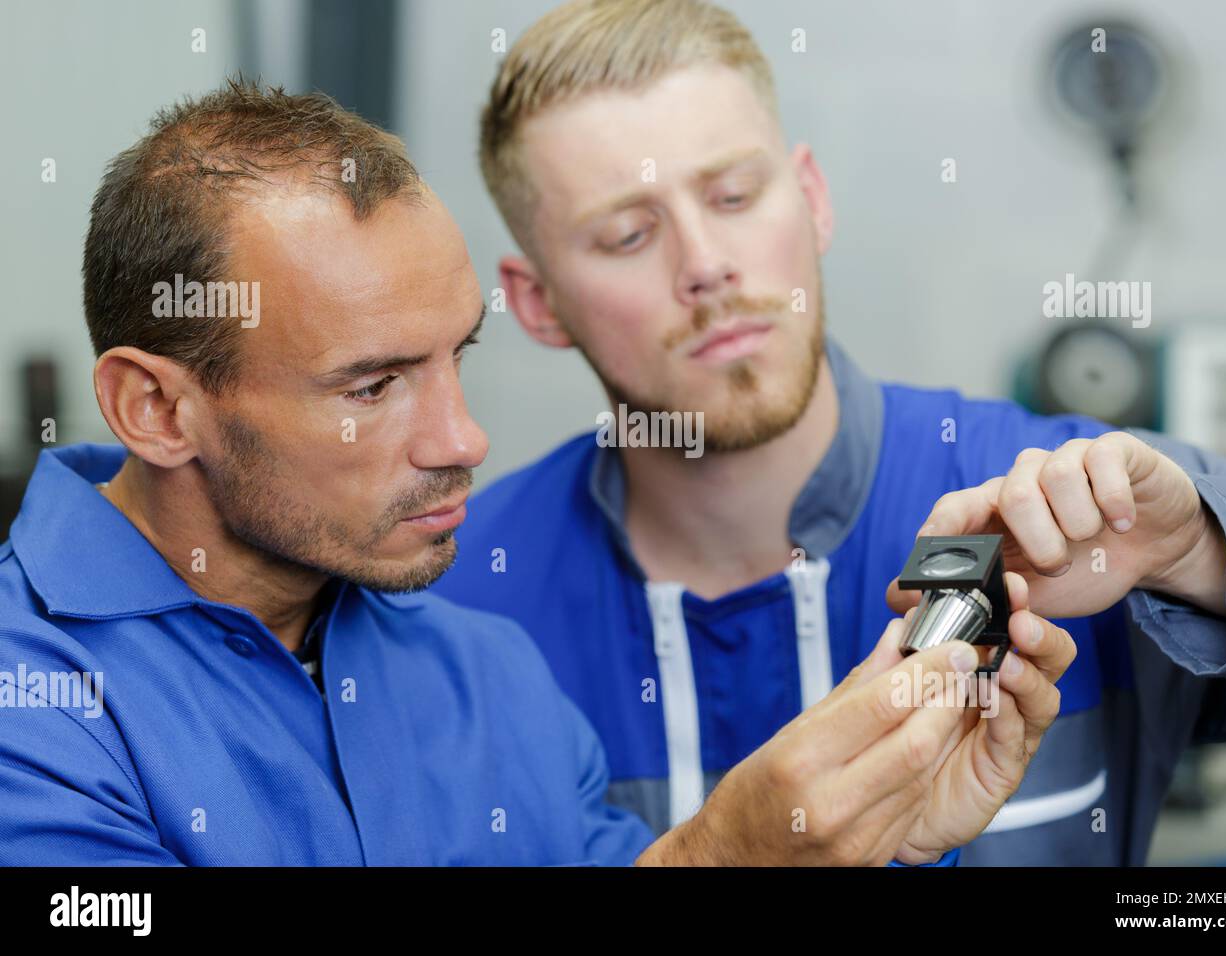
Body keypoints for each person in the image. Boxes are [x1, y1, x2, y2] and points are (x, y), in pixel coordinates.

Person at [0, 80, 1071, 866]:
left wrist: (866, 837)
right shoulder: (30, 704)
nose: (461, 439)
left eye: (453, 357)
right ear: (157, 407)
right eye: (370, 387)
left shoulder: (483, 667)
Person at [433, 0, 1226, 864]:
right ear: (539, 302)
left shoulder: (1066, 510)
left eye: (734, 195)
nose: (705, 266)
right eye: (628, 235)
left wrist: (1197, 554)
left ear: (811, 199)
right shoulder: (450, 609)